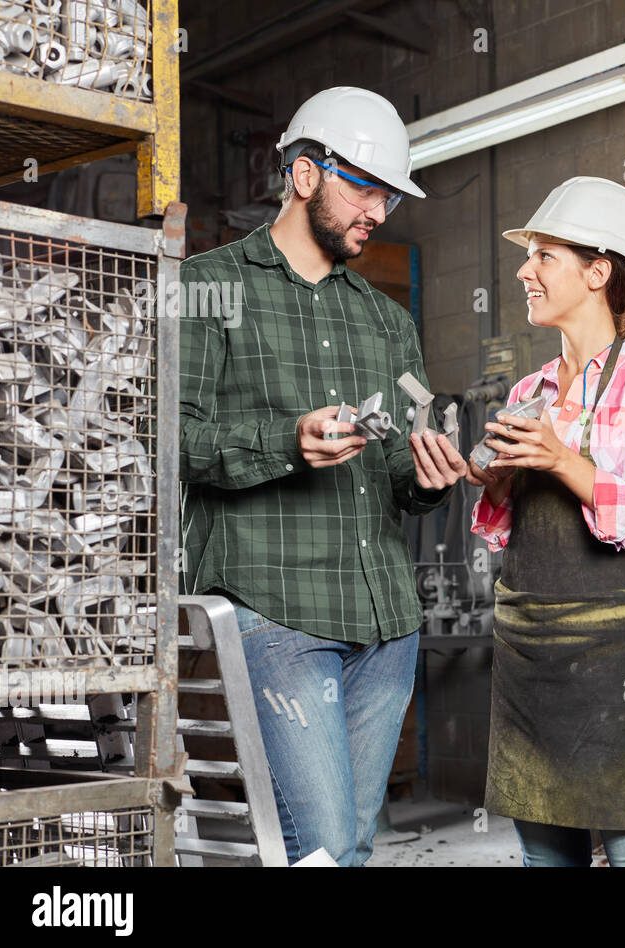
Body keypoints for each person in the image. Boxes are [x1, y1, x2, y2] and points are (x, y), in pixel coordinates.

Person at [177, 87, 468, 866]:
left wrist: (432, 474)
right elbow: (171, 445)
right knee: (325, 847)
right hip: (277, 611)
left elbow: (404, 466)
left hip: (384, 617)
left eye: (388, 198)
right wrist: (285, 443)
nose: (378, 211)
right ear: (306, 175)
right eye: (364, 189)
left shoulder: (385, 320)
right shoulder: (208, 288)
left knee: (349, 850)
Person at [467, 176, 625, 867]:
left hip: (617, 663)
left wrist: (564, 461)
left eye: (544, 256)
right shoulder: (527, 392)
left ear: (599, 271)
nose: (524, 271)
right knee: (547, 859)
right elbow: (503, 532)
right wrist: (491, 480)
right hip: (528, 657)